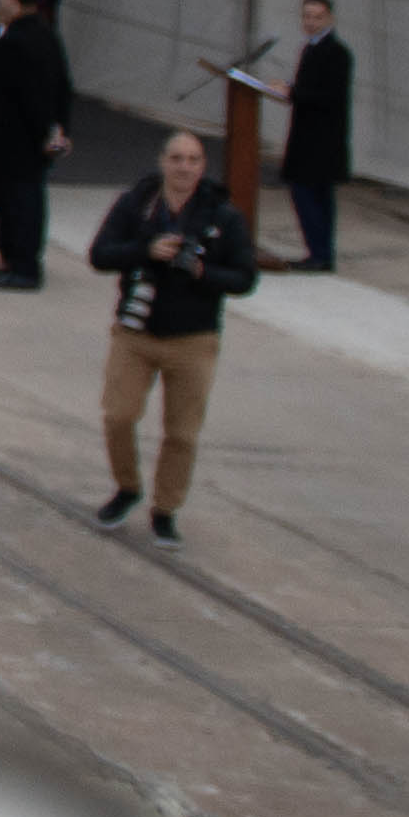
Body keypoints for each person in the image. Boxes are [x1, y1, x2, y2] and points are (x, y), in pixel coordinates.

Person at [86, 130, 263, 539]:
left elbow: (245, 278)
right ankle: (127, 487)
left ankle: (166, 510)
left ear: (203, 166)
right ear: (162, 161)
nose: (184, 167)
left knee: (182, 433)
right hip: (136, 333)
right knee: (118, 415)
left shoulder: (223, 216)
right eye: (177, 158)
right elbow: (99, 255)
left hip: (193, 339)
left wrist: (202, 272)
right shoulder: (136, 204)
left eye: (193, 160)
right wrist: (145, 250)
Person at [0, 0, 74, 292]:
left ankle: (23, 265)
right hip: (30, 135)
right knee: (16, 198)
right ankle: (12, 258)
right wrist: (60, 128)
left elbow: (27, 94)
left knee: (20, 201)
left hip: (17, 136)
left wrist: (45, 131)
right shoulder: (45, 35)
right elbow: (63, 86)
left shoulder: (17, 41)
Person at [269, 0, 354, 271]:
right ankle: (319, 252)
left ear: (330, 19)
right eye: (307, 16)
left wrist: (292, 92)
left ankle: (320, 254)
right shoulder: (309, 49)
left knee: (312, 196)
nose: (311, 22)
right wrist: (290, 90)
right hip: (306, 137)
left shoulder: (337, 53)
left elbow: (329, 96)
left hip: (321, 141)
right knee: (311, 196)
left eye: (317, 17)